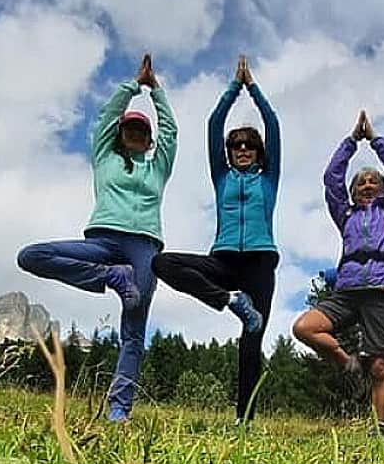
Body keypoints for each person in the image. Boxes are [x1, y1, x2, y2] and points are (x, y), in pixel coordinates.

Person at [17, 54, 177, 424]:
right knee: (31, 256)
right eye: (130, 129)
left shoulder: (158, 166)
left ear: (148, 139)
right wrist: (132, 86)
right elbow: (106, 118)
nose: (135, 134)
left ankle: (119, 409)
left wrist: (156, 92)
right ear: (121, 135)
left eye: (142, 131)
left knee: (134, 329)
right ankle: (111, 278)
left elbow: (171, 131)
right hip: (103, 242)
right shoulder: (105, 157)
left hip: (144, 247)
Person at [152, 56, 281, 423]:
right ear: (229, 153)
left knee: (251, 342)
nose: (242, 150)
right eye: (236, 146)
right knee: (162, 263)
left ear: (258, 153)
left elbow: (272, 125)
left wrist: (252, 88)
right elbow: (213, 125)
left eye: (248, 146)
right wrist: (232, 89)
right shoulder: (222, 178)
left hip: (258, 263)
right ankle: (228, 300)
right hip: (223, 262)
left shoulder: (268, 179)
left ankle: (244, 420)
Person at [292, 110, 384, 435]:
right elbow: (332, 178)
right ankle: (348, 364)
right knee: (305, 328)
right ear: (354, 192)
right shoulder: (345, 215)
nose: (367, 185)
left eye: (373, 182)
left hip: (382, 291)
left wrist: (374, 139)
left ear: (383, 190)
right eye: (361, 183)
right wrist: (350, 142)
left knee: (380, 365)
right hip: (346, 292)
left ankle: (380, 429)